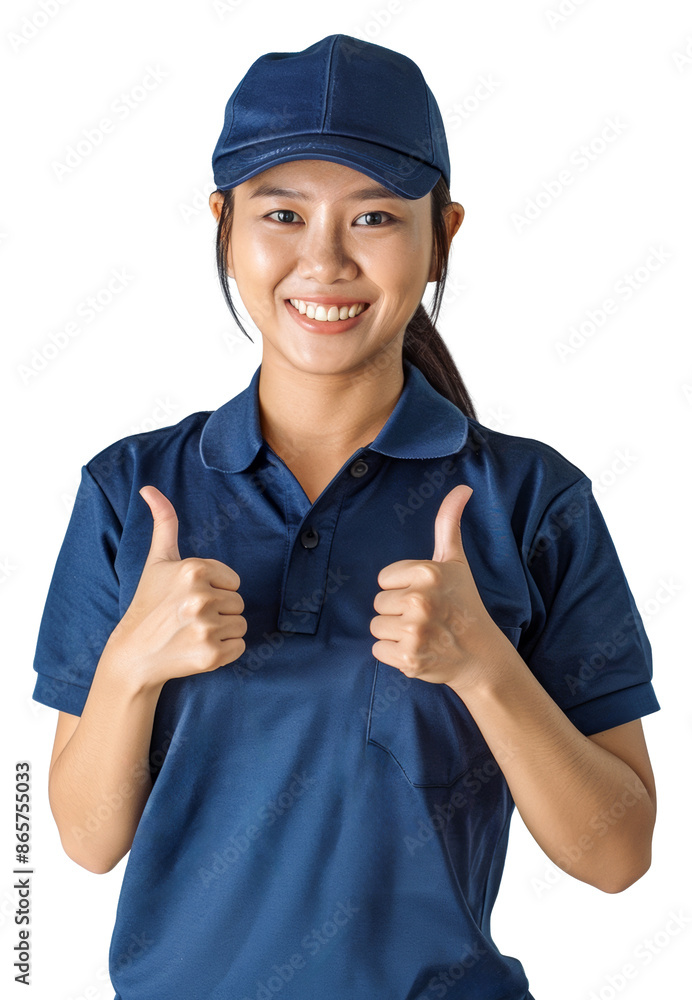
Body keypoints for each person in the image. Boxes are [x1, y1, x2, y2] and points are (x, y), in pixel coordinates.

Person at [32, 33, 660, 1000]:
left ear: (442, 233)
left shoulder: (534, 502)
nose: (322, 260)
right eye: (281, 213)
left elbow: (617, 855)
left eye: (373, 216)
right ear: (223, 223)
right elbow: (80, 841)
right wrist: (129, 666)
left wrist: (487, 669)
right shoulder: (132, 492)